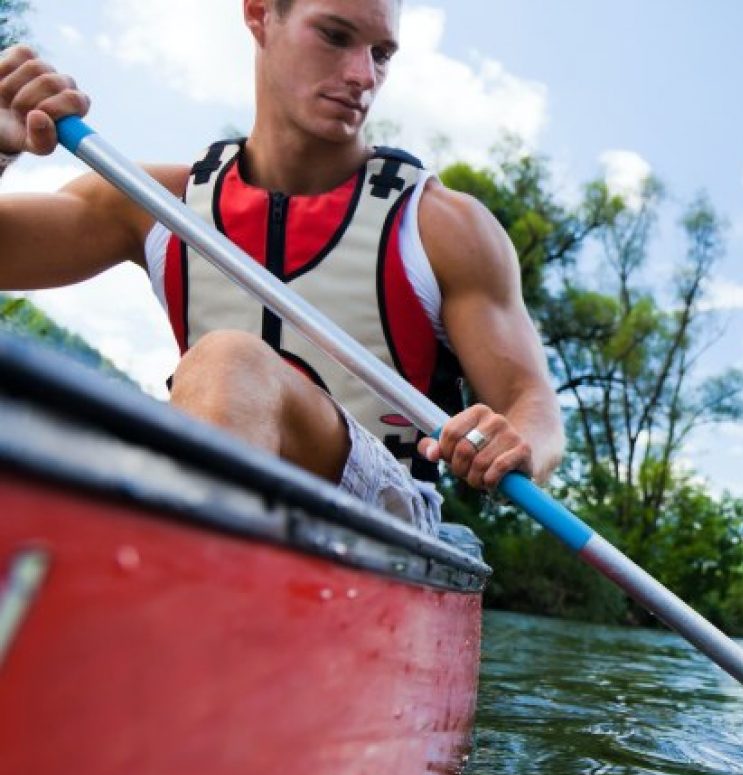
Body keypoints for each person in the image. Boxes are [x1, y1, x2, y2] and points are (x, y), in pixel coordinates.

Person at [0, 0, 563, 542]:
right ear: (259, 13)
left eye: (381, 54)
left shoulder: (443, 225)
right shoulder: (154, 202)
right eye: (336, 36)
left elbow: (533, 405)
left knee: (230, 360)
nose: (363, 75)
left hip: (387, 517)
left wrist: (517, 444)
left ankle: (176, 573)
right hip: (207, 478)